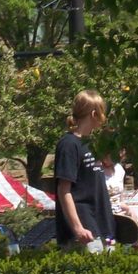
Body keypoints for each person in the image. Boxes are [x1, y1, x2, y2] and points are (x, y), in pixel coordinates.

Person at [54, 89, 115, 252]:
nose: (104, 119)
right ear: (95, 114)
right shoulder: (69, 144)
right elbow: (63, 190)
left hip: (101, 227)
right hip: (83, 231)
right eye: (103, 113)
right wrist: (78, 228)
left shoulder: (93, 144)